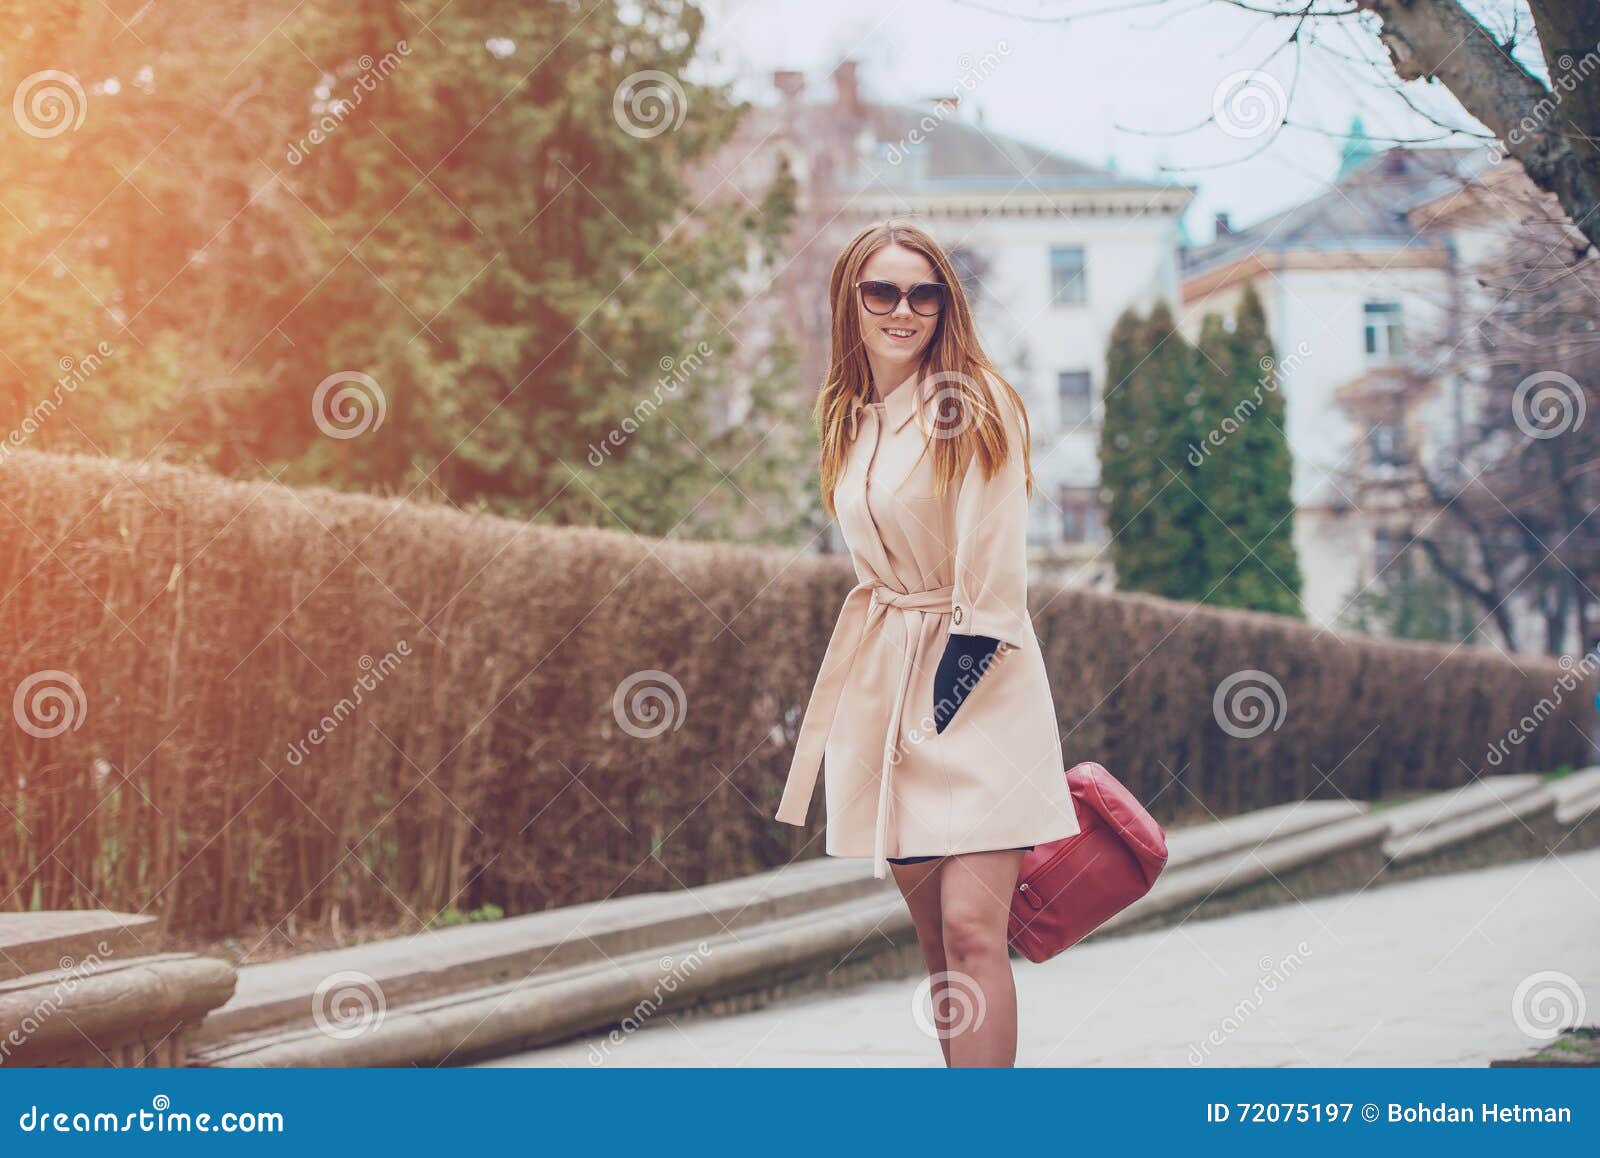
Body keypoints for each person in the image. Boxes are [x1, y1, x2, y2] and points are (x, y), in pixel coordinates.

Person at [774, 219, 1081, 1067]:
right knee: (938, 948)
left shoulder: (975, 403)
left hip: (980, 684)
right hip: (885, 683)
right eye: (882, 291)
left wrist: (937, 711)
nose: (902, 309)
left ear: (946, 305)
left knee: (974, 931)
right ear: (851, 303)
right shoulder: (848, 419)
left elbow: (995, 576)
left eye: (924, 293)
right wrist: (888, 716)